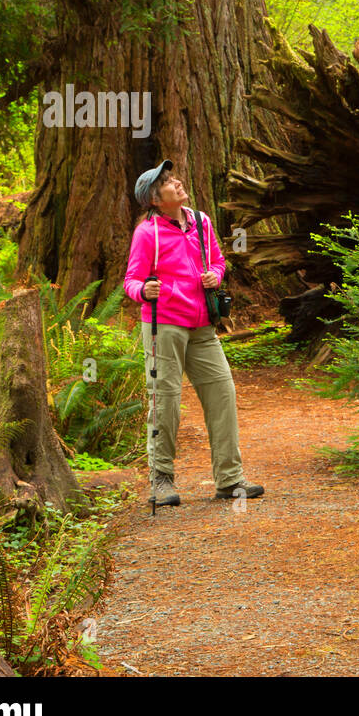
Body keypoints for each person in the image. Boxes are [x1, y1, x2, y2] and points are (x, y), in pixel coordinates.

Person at [123, 159, 264, 506]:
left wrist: (216, 275)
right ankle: (161, 481)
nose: (178, 183)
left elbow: (218, 260)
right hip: (164, 325)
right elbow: (131, 281)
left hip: (203, 325)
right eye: (169, 182)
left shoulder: (201, 221)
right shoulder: (147, 233)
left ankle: (230, 480)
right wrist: (144, 291)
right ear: (155, 199)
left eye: (174, 178)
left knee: (223, 395)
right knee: (165, 401)